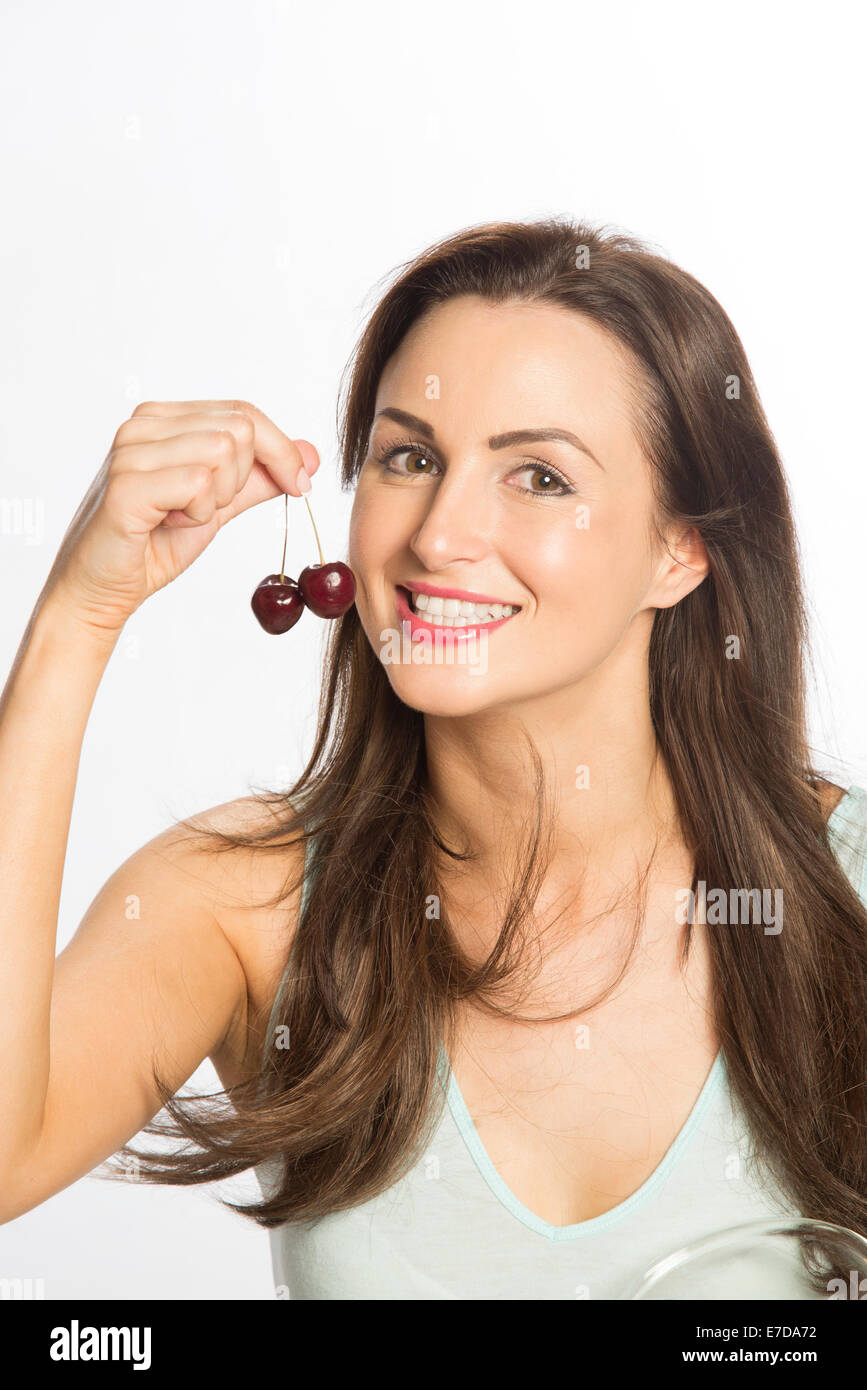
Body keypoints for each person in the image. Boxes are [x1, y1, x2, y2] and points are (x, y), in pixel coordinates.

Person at [2, 218, 865, 1300]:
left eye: (539, 477)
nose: (441, 533)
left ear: (678, 547)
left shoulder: (843, 896)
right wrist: (77, 619)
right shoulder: (240, 909)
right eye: (409, 457)